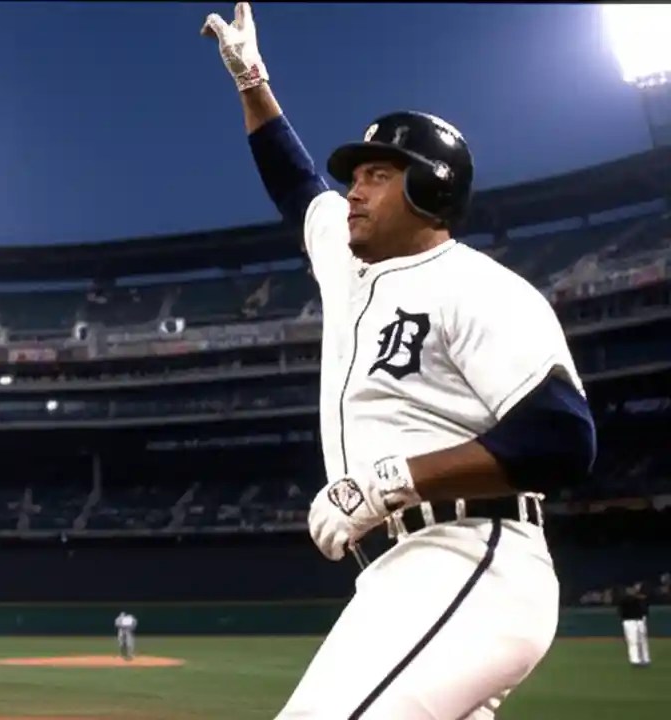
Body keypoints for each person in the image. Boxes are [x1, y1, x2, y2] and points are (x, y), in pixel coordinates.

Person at [201, 4, 597, 718]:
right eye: (355, 177)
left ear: (430, 189)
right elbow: (294, 182)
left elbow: (562, 438)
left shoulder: (480, 287)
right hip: (393, 574)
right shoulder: (346, 265)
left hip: (470, 556)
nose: (353, 189)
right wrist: (251, 80)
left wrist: (393, 481)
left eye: (377, 175)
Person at [618, 583, 651, 667]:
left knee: (643, 641)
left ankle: (645, 659)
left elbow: (645, 609)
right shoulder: (625, 600)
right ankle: (635, 660)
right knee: (633, 641)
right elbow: (623, 608)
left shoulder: (641, 599)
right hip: (629, 622)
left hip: (640, 621)